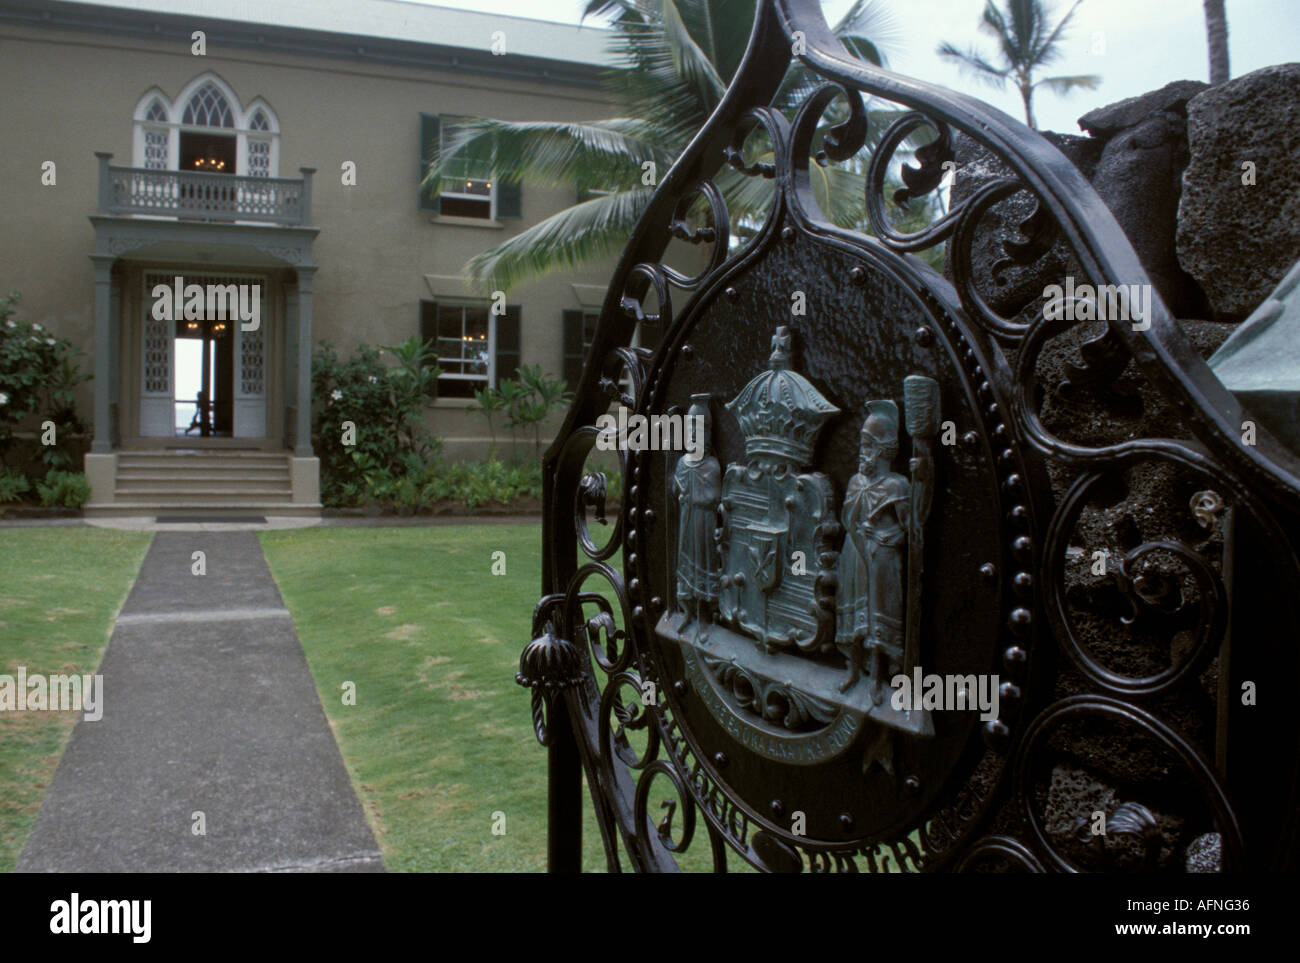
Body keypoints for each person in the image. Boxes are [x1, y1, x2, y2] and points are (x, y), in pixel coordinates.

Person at [836, 400, 910, 698]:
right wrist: (859, 529)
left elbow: (908, 529)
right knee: (854, 614)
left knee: (877, 614)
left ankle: (877, 677)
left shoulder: (897, 486)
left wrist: (884, 535)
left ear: (882, 447)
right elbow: (847, 518)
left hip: (881, 558)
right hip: (853, 553)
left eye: (867, 444)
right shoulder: (855, 481)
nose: (862, 450)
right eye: (861, 443)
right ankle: (853, 670)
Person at [673, 394, 721, 641]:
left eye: (698, 431)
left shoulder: (712, 465)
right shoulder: (682, 463)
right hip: (687, 522)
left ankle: (704, 619)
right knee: (685, 568)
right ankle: (687, 613)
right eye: (690, 430)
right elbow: (676, 488)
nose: (693, 436)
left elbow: (713, 497)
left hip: (704, 524)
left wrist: (692, 496)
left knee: (704, 567)